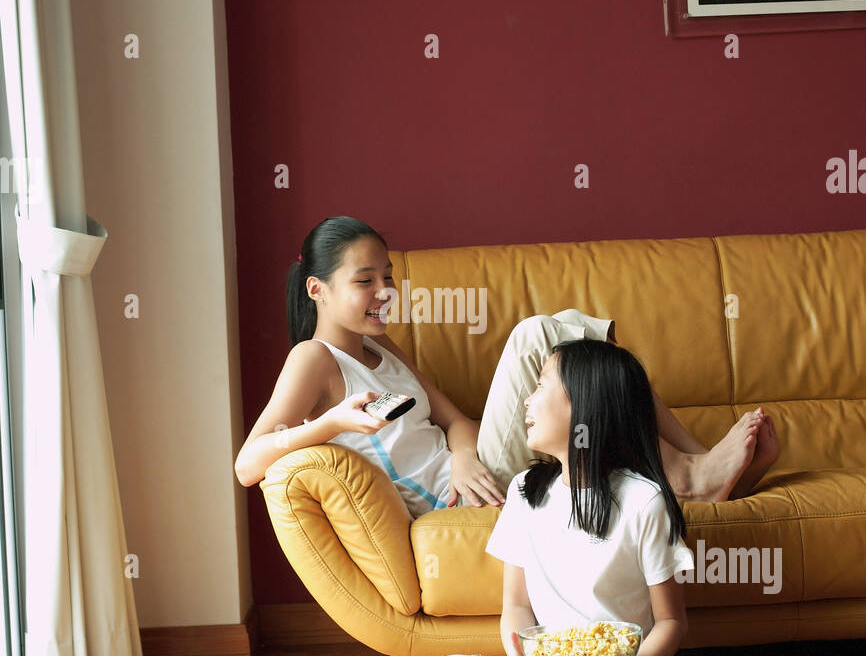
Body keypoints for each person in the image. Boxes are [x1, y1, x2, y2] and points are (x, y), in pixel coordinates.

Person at [234, 215, 780, 513]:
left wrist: (464, 455)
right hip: (452, 505)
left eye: (388, 276)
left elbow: (454, 420)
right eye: (365, 281)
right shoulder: (313, 359)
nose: (385, 292)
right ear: (317, 290)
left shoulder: (383, 349)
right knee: (539, 336)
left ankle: (698, 466)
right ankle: (691, 473)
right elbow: (246, 465)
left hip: (476, 474)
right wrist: (329, 425)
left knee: (580, 377)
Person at [424, 339, 742, 656]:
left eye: (540, 386)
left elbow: (671, 622)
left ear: (583, 406)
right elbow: (516, 607)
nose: (528, 400)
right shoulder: (523, 492)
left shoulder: (643, 501)